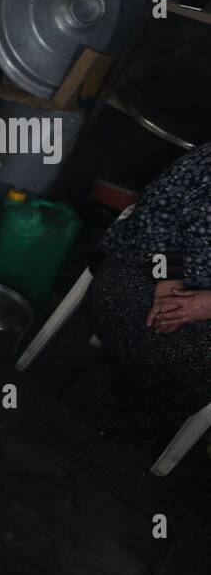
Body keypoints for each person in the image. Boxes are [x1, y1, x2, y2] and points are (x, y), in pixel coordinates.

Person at [69, 142, 211, 441]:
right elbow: (159, 204)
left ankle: (122, 415)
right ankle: (108, 402)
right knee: (119, 303)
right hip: (155, 264)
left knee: (193, 360)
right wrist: (168, 276)